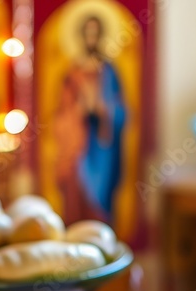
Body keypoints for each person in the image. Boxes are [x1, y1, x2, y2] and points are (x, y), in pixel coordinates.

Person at [55, 15, 126, 222]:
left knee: (102, 193)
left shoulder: (109, 72)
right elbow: (61, 112)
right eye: (88, 33)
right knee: (76, 185)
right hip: (77, 142)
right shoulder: (73, 72)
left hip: (103, 146)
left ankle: (101, 232)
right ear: (82, 36)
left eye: (95, 34)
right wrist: (78, 110)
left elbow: (122, 110)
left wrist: (106, 111)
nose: (91, 38)